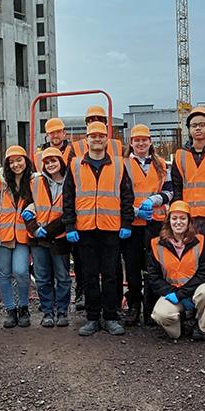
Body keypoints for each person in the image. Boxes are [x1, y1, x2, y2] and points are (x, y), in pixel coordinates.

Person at [71, 121, 134, 336]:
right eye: (93, 136)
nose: (97, 139)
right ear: (86, 139)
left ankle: (110, 316)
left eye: (100, 136)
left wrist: (126, 223)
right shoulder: (75, 164)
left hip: (111, 230)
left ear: (106, 139)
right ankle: (91, 318)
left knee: (110, 275)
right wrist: (70, 225)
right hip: (85, 230)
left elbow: (127, 196)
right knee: (89, 275)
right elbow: (68, 198)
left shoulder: (118, 165)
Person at [170, 105, 205, 315]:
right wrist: (178, 218)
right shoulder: (180, 156)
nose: (198, 129)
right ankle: (192, 302)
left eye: (202, 125)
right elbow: (177, 189)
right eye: (194, 125)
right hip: (189, 219)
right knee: (190, 260)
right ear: (189, 129)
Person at [147, 201, 205, 340]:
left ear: (189, 222)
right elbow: (154, 277)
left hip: (195, 292)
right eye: (174, 218)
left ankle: (201, 327)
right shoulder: (157, 244)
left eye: (182, 218)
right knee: (160, 314)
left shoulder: (200, 241)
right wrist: (175, 294)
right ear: (168, 221)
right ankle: (180, 325)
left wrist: (182, 294)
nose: (178, 222)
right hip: (172, 294)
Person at [122, 124, 170, 326]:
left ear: (150, 142)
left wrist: (155, 200)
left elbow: (170, 191)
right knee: (132, 266)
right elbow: (118, 194)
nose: (141, 143)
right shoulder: (122, 165)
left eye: (144, 139)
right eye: (136, 140)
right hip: (132, 223)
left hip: (155, 223)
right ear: (131, 143)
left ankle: (151, 307)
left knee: (154, 266)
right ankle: (134, 305)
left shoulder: (160, 164)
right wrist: (134, 210)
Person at [0, 145, 35, 328]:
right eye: (12, 161)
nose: (16, 165)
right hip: (2, 236)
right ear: (7, 164)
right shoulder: (0, 181)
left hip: (22, 235)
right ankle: (10, 310)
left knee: (21, 271)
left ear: (25, 160)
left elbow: (40, 203)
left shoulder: (33, 180)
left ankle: (24, 307)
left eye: (19, 160)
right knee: (4, 274)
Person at [29, 147, 75, 328]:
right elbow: (27, 204)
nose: (50, 165)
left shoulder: (69, 183)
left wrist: (48, 230)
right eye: (47, 162)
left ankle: (62, 311)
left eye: (54, 161)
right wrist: (33, 228)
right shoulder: (35, 182)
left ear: (61, 162)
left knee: (63, 277)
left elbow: (69, 212)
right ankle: (47, 311)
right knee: (42, 277)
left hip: (59, 237)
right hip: (38, 239)